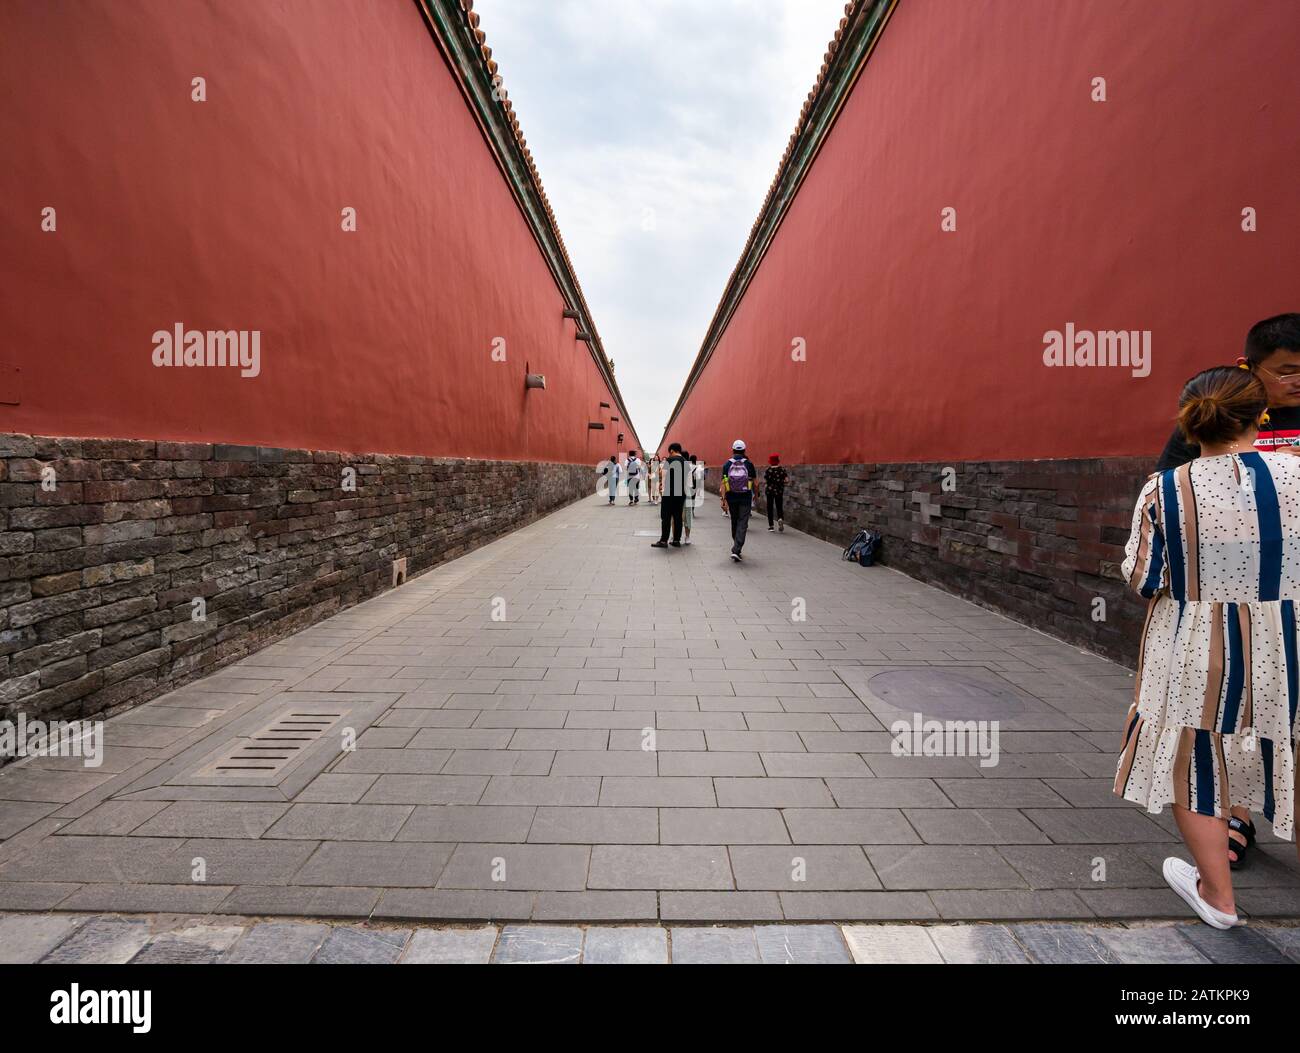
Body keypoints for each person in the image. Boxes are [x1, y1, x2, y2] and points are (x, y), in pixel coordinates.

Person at [1116, 365, 1299, 929]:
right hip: (1289, 639)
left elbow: (1144, 577)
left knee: (1192, 760)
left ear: (1190, 422)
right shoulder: (1297, 475)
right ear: (1259, 415)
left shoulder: (1165, 488)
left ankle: (1219, 898)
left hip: (1195, 644)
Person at [1153, 314, 1300, 870]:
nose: (1297, 381)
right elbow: (1173, 490)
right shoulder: (1222, 413)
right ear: (1251, 369)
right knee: (1236, 708)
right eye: (1286, 372)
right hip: (1234, 588)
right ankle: (1236, 813)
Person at [721, 439, 756, 561]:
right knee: (743, 523)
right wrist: (756, 494)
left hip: (732, 497)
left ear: (733, 450)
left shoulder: (727, 464)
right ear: (744, 450)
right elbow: (754, 482)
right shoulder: (748, 464)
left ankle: (736, 546)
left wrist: (723, 500)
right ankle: (736, 549)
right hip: (745, 497)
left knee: (734, 521)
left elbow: (724, 483)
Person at [651, 443, 688, 549]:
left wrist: (661, 489)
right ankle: (676, 540)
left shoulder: (670, 460)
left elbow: (663, 475)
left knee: (666, 516)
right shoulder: (685, 462)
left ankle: (664, 540)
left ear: (671, 450)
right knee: (677, 517)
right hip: (681, 493)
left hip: (669, 493)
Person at [764, 454, 788, 532]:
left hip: (770, 491)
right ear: (778, 461)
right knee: (779, 506)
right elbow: (787, 480)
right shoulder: (782, 470)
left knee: (770, 507)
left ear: (770, 462)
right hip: (779, 490)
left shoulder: (768, 470)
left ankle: (771, 526)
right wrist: (782, 482)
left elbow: (766, 481)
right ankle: (780, 518)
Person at [682, 452, 701, 544]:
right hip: (689, 492)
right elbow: (697, 479)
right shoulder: (694, 467)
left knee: (677, 516)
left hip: (680, 493)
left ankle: (675, 536)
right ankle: (687, 537)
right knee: (688, 515)